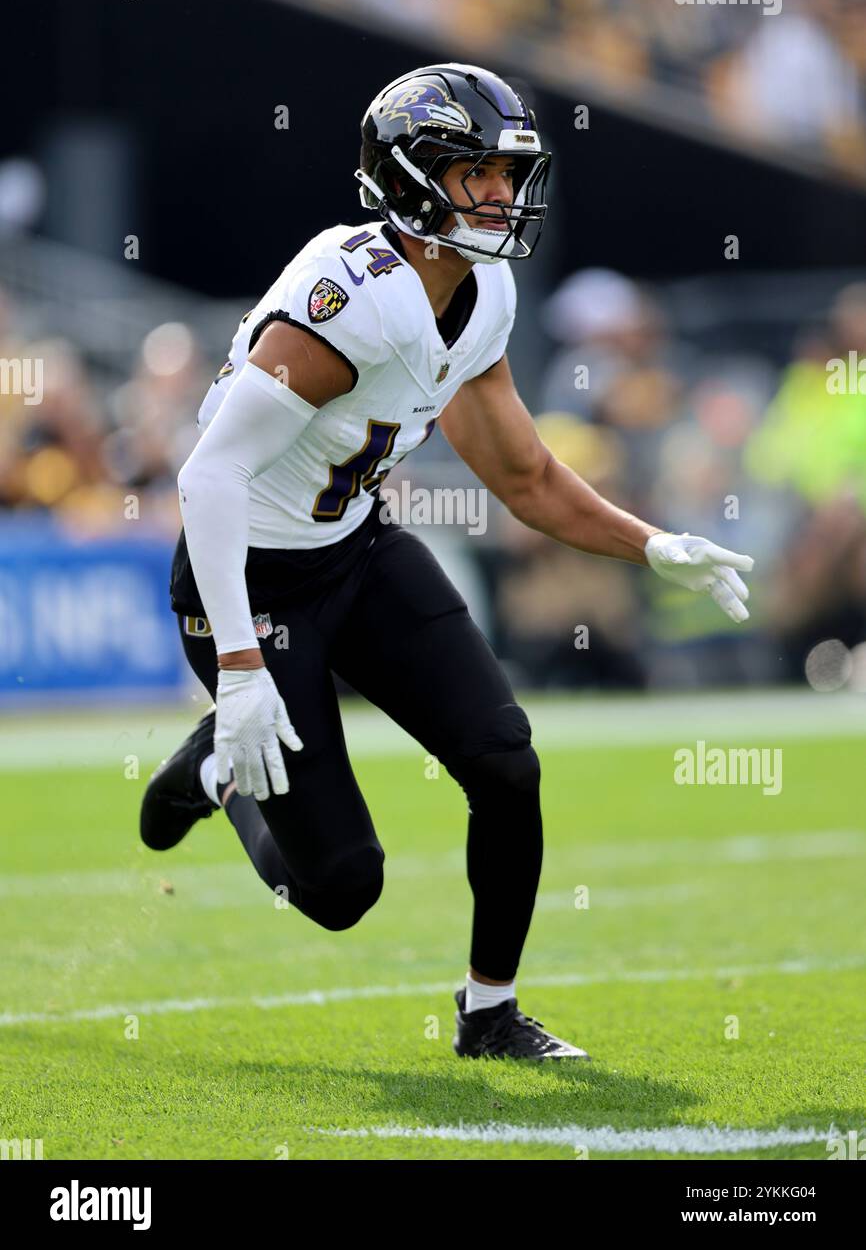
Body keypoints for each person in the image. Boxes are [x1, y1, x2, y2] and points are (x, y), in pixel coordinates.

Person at [141, 63, 754, 1060]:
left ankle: (489, 1014)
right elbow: (207, 480)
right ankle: (217, 766)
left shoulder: (481, 291)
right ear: (412, 176)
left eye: (510, 175)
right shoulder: (347, 299)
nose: (503, 197)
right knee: (342, 886)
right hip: (246, 576)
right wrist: (245, 667)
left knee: (505, 762)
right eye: (479, 174)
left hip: (354, 549)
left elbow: (523, 476)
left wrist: (650, 544)